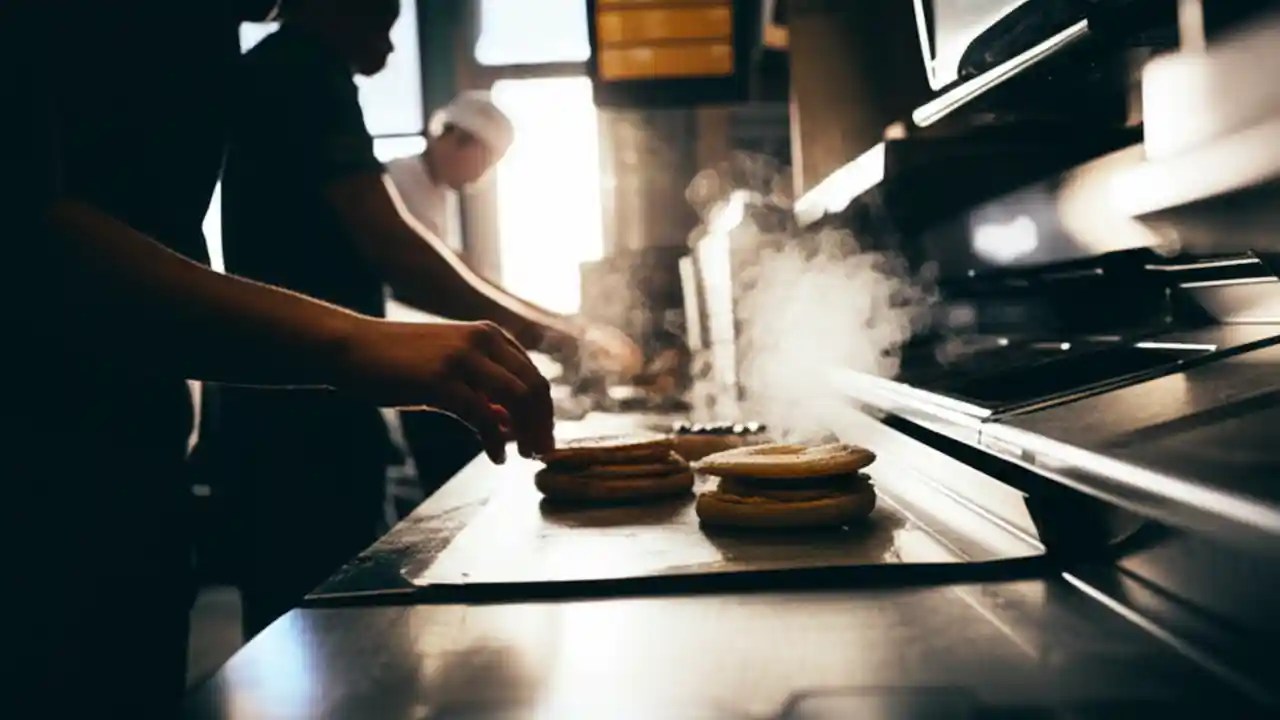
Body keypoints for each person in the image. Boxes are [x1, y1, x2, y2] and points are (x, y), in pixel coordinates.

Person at [5, 1, 553, 714]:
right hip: (56, 457)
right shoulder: (296, 69)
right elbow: (31, 238)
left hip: (149, 433)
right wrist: (358, 343)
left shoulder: (235, 49)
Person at [208, 0, 641, 638]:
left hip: (301, 393)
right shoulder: (304, 72)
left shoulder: (295, 72)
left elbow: (450, 271)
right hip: (302, 402)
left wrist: (557, 328)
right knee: (324, 622)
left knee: (314, 619)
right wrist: (552, 338)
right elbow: (401, 256)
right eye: (382, 13)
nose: (389, 30)